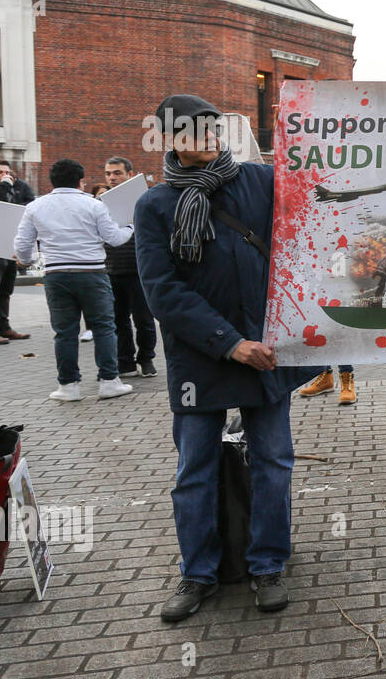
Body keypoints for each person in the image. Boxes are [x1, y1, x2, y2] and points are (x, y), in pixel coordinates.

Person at [136, 94, 319, 622]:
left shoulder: (261, 182)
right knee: (194, 469)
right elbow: (162, 292)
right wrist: (228, 342)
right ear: (169, 138)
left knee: (273, 461)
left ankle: (266, 565)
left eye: (214, 129)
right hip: (203, 358)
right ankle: (198, 573)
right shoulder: (155, 206)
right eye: (195, 131)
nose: (210, 138)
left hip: (268, 349)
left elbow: (314, 211)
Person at [14, 159, 133, 402]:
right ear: (81, 181)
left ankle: (68, 386)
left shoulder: (36, 207)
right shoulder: (94, 205)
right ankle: (109, 381)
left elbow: (22, 244)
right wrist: (131, 227)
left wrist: (26, 261)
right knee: (104, 328)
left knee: (64, 332)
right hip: (92, 273)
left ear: (52, 181)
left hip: (56, 274)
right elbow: (114, 238)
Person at [101, 157, 157, 379]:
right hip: (112, 269)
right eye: (108, 173)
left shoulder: (145, 200)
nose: (112, 178)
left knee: (144, 319)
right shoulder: (100, 203)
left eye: (117, 173)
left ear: (130, 174)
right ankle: (125, 362)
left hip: (139, 270)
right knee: (118, 320)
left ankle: (146, 359)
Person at [0, 159, 34, 343]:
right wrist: (5, 185)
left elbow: (31, 205)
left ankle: (4, 327)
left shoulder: (18, 186)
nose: (4, 175)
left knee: (6, 289)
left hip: (10, 243)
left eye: (6, 172)